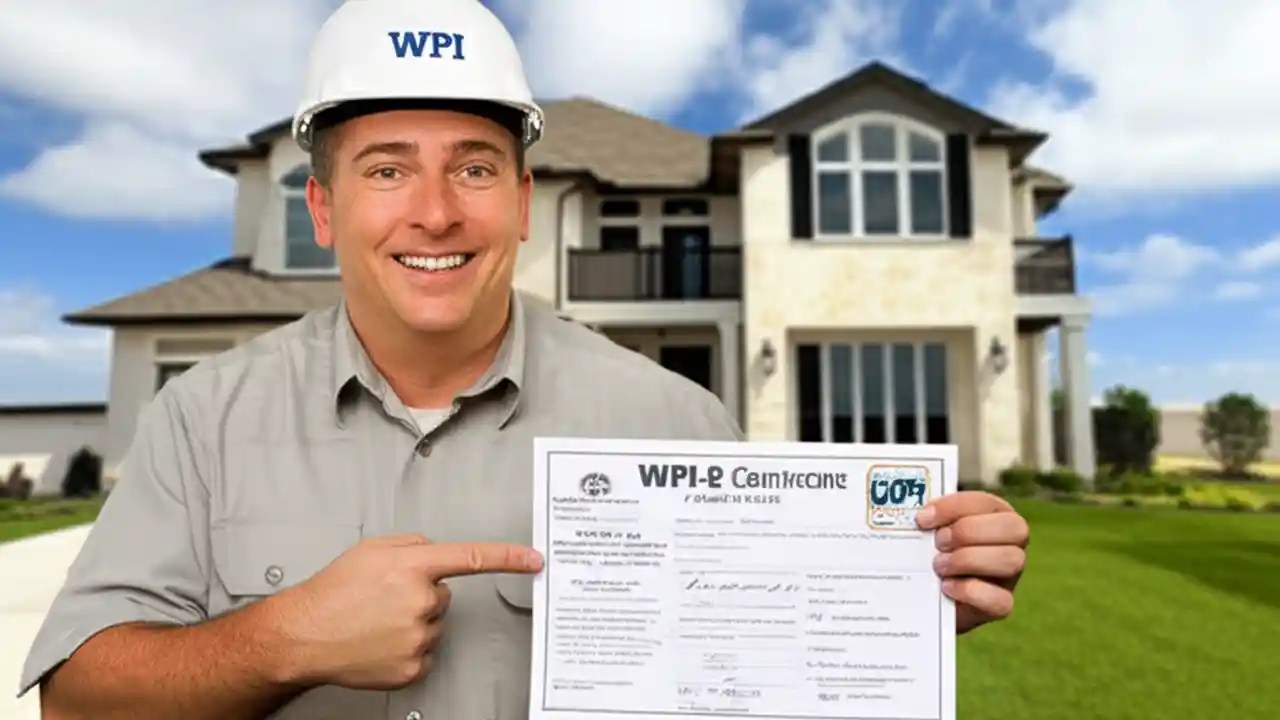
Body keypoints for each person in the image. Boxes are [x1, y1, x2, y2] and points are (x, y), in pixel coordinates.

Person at [19, 1, 1030, 718]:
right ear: (321, 209)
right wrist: (283, 640)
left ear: (520, 201)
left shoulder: (672, 422)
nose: (435, 210)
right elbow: (77, 701)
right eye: (385, 170)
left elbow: (746, 680)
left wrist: (884, 611)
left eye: (472, 166)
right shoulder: (204, 418)